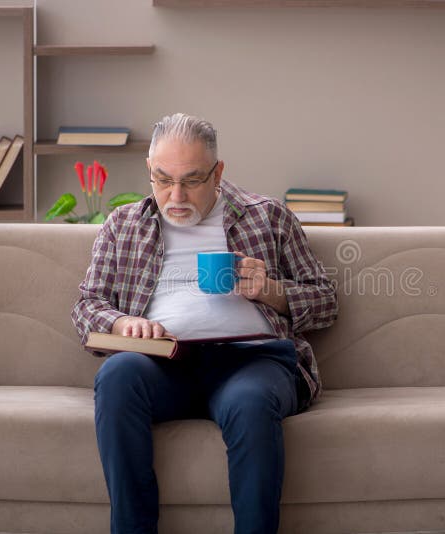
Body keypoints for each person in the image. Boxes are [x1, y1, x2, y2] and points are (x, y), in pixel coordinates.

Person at [71, 113, 338, 534]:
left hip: (252, 361)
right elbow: (87, 305)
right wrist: (124, 323)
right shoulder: (122, 225)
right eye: (163, 179)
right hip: (164, 362)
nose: (175, 195)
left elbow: (325, 301)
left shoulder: (267, 216)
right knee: (117, 375)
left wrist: (267, 289)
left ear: (218, 173)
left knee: (250, 403)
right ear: (149, 171)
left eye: (192, 181)